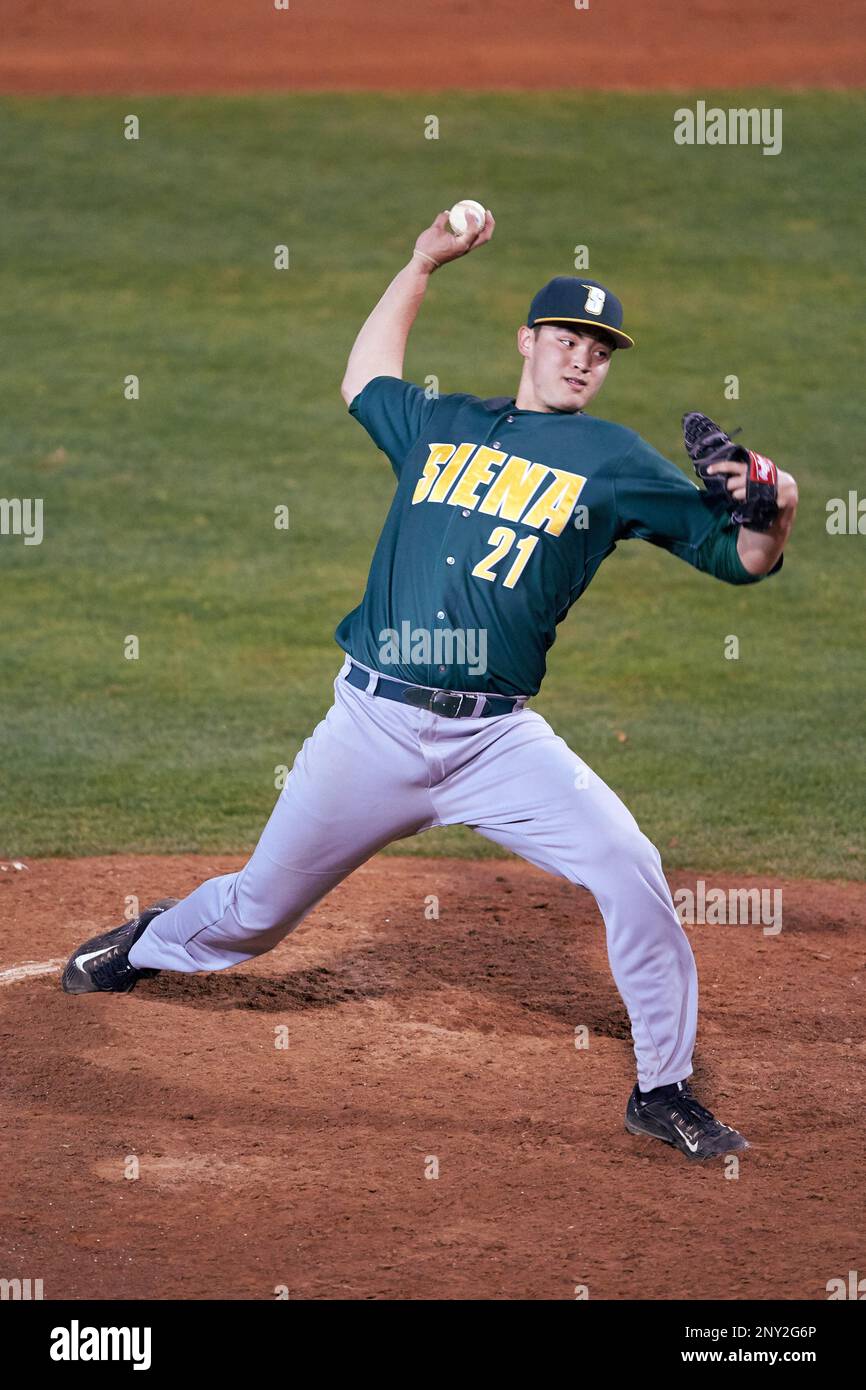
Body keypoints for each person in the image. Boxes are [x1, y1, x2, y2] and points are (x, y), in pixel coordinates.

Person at [62, 209, 798, 1162]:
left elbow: (740, 559)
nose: (581, 360)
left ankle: (663, 1089)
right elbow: (362, 377)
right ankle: (152, 940)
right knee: (254, 917)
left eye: (600, 350)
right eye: (567, 339)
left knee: (631, 869)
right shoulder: (444, 421)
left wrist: (778, 507)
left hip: (497, 742)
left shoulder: (617, 462)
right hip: (371, 726)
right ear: (528, 341)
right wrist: (420, 263)